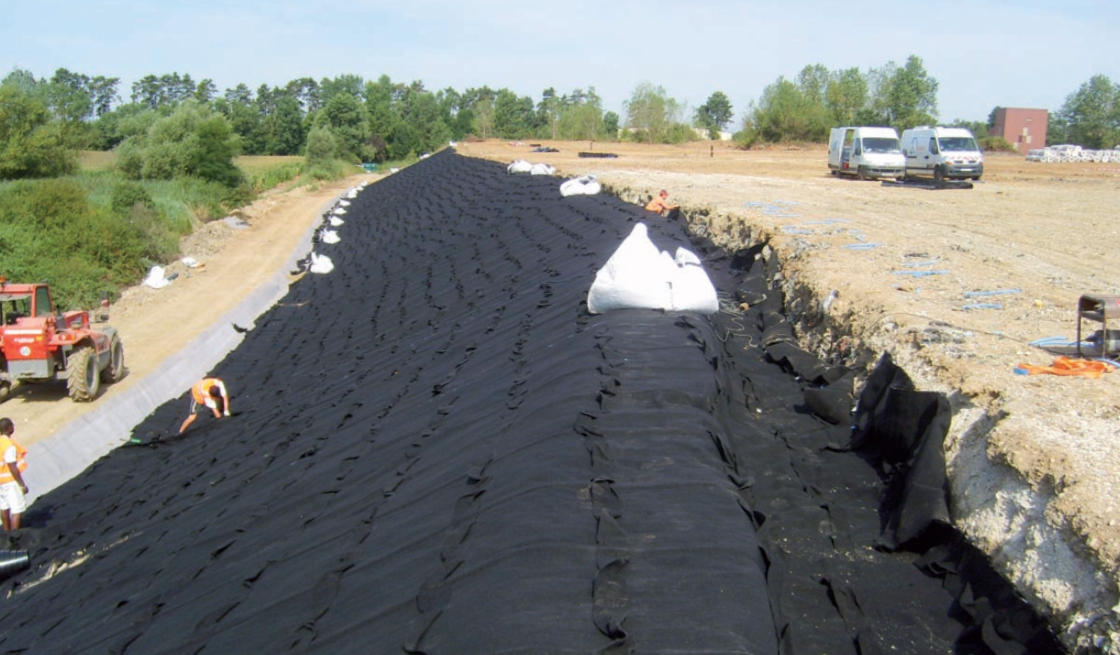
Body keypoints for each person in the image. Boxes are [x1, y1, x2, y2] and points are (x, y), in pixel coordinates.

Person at [0, 418, 28, 531]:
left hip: (0, 483)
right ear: (9, 428)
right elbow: (12, 466)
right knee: (17, 509)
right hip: (10, 482)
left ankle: (7, 533)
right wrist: (22, 485)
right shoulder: (8, 445)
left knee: (4, 507)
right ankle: (15, 536)